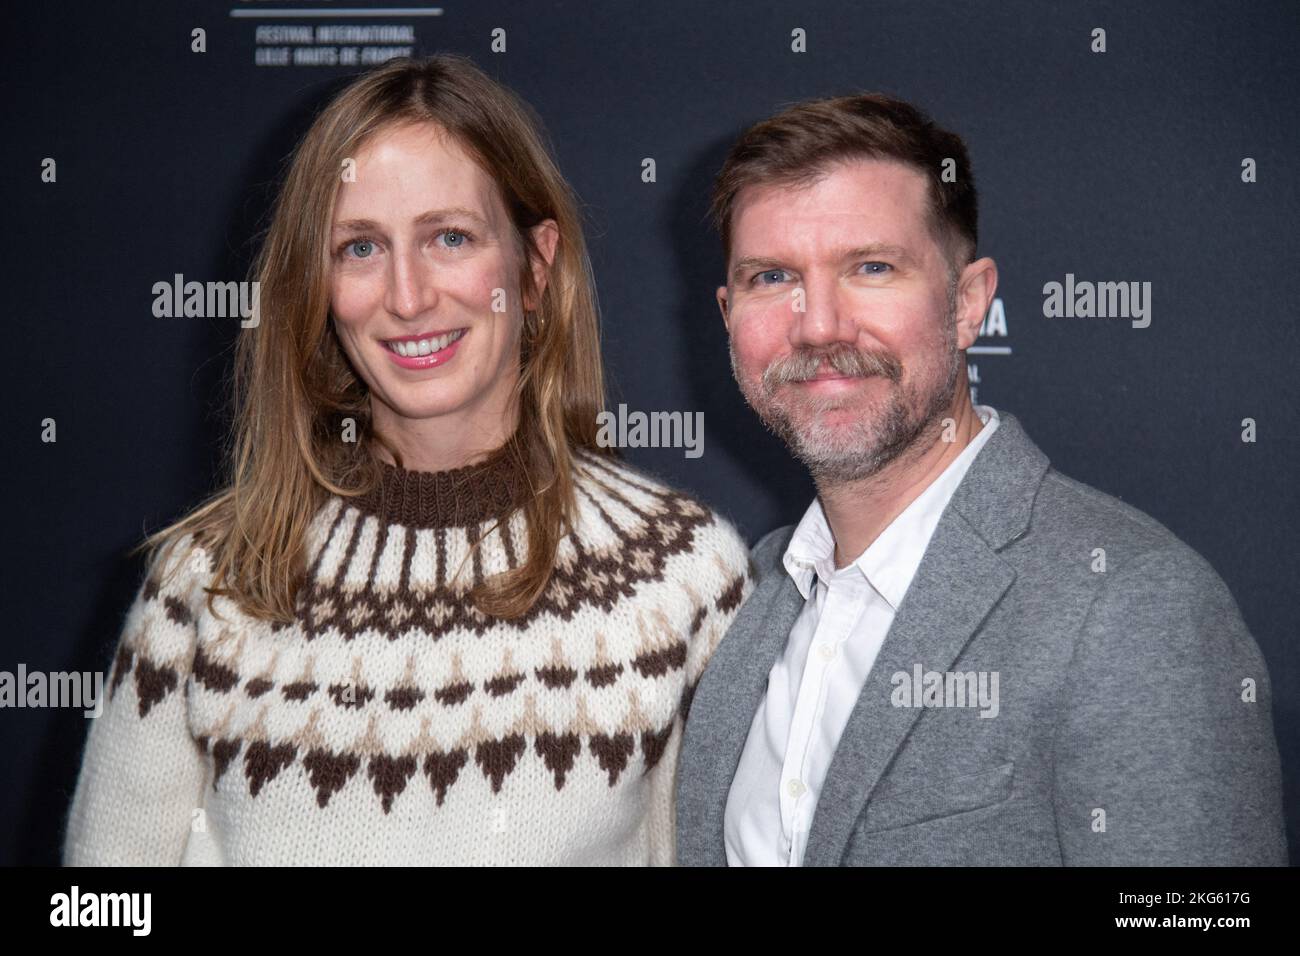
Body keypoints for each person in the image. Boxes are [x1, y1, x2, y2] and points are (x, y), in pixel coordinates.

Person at [62, 54, 751, 866]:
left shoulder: (679, 579)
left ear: (534, 269)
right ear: (317, 287)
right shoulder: (206, 582)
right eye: (359, 248)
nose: (409, 296)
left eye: (449, 238)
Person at [675, 92, 1287, 866]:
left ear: (968, 303)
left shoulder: (1129, 603)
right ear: (729, 315)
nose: (819, 324)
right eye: (771, 277)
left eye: (871, 267)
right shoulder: (751, 595)